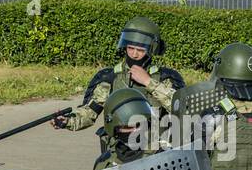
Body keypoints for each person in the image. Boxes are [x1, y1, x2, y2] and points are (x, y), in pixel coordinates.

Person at [52, 16, 183, 135]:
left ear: (151, 49)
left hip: (156, 148)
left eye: (141, 50)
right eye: (130, 48)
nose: (134, 54)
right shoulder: (109, 78)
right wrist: (67, 121)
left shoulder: (166, 78)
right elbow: (89, 112)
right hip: (120, 150)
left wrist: (149, 82)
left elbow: (182, 110)